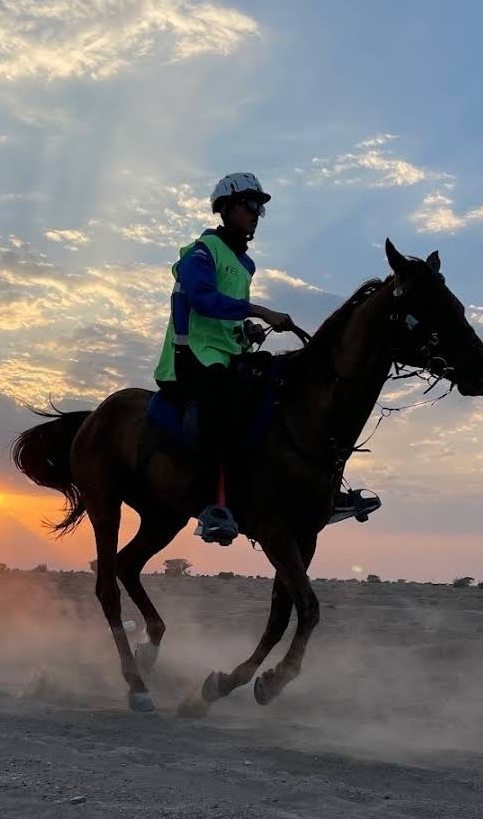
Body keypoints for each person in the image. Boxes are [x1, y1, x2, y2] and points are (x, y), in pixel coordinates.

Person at [153, 172, 381, 544]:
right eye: (250, 205)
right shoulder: (202, 250)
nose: (256, 213)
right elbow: (201, 299)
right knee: (220, 412)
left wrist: (249, 331)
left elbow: (228, 318)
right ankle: (213, 506)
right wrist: (259, 311)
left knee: (281, 396)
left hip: (229, 354)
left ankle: (317, 491)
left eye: (260, 207)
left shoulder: (245, 264)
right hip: (194, 354)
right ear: (225, 207)